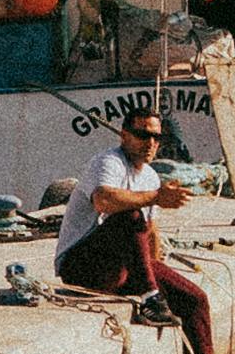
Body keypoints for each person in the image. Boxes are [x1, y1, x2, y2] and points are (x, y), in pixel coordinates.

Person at [53, 109, 172, 299]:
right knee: (129, 215)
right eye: (143, 135)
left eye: (156, 137)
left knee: (193, 297)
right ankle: (150, 296)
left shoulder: (151, 177)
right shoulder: (108, 162)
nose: (150, 143)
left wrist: (157, 270)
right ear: (124, 136)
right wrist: (156, 197)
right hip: (81, 267)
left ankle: (154, 291)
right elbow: (103, 201)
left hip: (119, 269)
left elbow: (150, 232)